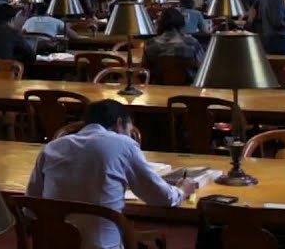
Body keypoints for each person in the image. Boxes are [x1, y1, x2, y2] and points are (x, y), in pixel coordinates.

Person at [26, 100, 197, 249]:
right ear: (119, 123)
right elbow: (162, 198)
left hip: (54, 245)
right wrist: (182, 190)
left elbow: (30, 207)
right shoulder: (123, 144)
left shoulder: (52, 147)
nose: (130, 136)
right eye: (129, 131)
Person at [142, 7, 204, 83]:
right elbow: (203, 66)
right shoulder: (192, 43)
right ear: (182, 24)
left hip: (158, 88)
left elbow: (144, 69)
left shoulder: (150, 43)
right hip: (188, 88)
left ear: (160, 24)